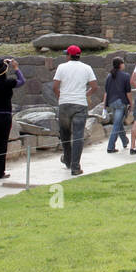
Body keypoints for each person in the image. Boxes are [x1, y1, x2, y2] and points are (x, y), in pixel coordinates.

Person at [51, 45, 98, 175]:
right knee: (78, 135)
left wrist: (62, 96)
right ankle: (75, 166)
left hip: (65, 104)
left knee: (65, 134)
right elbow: (94, 87)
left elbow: (55, 86)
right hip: (80, 104)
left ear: (69, 56)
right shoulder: (87, 68)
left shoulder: (62, 67)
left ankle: (67, 160)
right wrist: (85, 95)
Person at [0, 57, 24, 179]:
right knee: (1, 145)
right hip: (4, 116)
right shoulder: (8, 82)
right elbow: (22, 81)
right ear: (4, 69)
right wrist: (16, 68)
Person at [103, 57, 131, 153]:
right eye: (123, 63)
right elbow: (128, 92)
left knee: (118, 123)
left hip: (111, 102)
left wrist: (104, 105)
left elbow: (106, 92)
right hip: (120, 102)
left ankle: (124, 141)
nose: (124, 64)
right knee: (116, 124)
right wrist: (131, 103)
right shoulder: (126, 76)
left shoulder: (109, 76)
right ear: (120, 64)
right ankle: (110, 147)